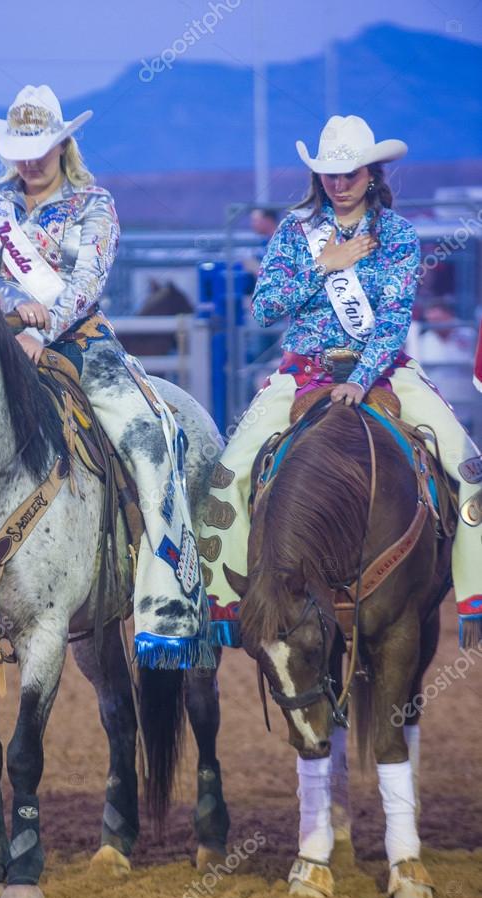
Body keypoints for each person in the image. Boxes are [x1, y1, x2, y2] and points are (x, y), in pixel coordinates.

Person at [200, 115, 482, 647]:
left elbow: (395, 317)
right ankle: (228, 601)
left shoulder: (397, 235)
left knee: (466, 463)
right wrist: (324, 266)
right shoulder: (295, 232)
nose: (339, 183)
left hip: (385, 369)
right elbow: (264, 308)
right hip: (303, 369)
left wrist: (364, 375)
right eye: (330, 173)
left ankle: (474, 591)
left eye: (349, 172)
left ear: (371, 174)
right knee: (227, 472)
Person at [0, 85, 210, 667]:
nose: (30, 161)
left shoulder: (94, 204)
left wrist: (42, 328)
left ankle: (167, 588)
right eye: (20, 151)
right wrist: (14, 316)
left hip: (82, 346)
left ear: (62, 145)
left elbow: (87, 281)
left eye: (39, 149)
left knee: (152, 438)